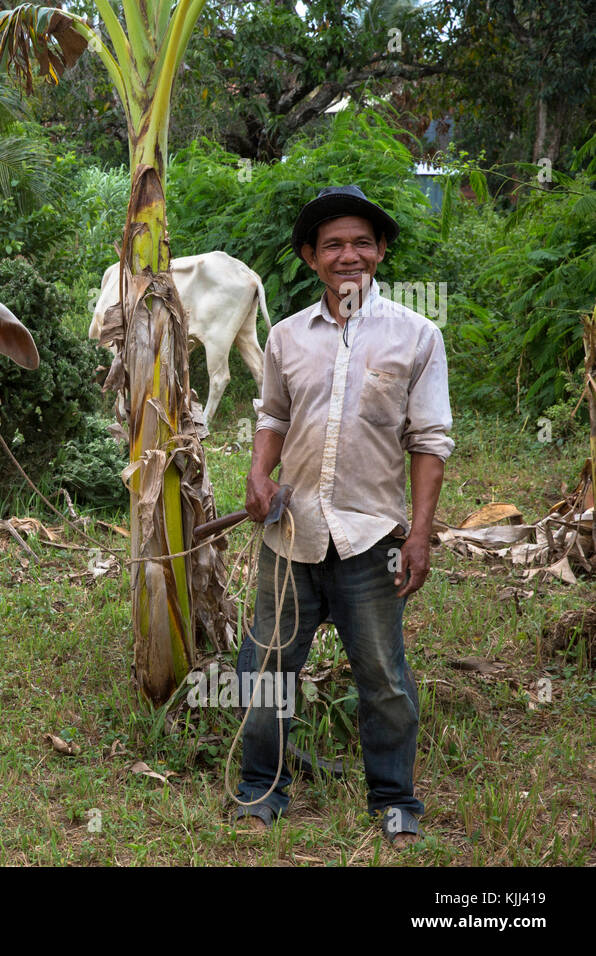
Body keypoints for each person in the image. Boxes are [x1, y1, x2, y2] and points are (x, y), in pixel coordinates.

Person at [231, 185, 454, 848]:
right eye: (333, 244)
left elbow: (430, 442)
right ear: (310, 257)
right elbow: (272, 417)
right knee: (265, 667)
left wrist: (419, 534)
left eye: (361, 242)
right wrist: (258, 475)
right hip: (291, 531)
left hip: (373, 538)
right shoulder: (286, 336)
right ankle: (259, 791)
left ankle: (394, 802)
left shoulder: (416, 335)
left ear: (380, 252)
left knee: (383, 675)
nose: (348, 254)